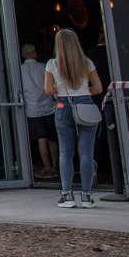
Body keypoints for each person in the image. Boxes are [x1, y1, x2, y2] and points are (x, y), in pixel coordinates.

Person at [45, 28, 104, 209]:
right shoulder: (86, 62)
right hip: (85, 103)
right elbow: (99, 88)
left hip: (63, 105)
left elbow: (48, 90)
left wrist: (59, 88)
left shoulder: (52, 64)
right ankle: (86, 195)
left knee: (65, 152)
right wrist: (85, 93)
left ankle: (67, 194)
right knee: (86, 153)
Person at [20, 43, 57, 179]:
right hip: (49, 105)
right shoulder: (44, 67)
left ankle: (47, 167)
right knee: (53, 137)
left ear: (23, 55)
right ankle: (56, 166)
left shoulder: (20, 70)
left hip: (32, 108)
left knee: (41, 138)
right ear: (35, 53)